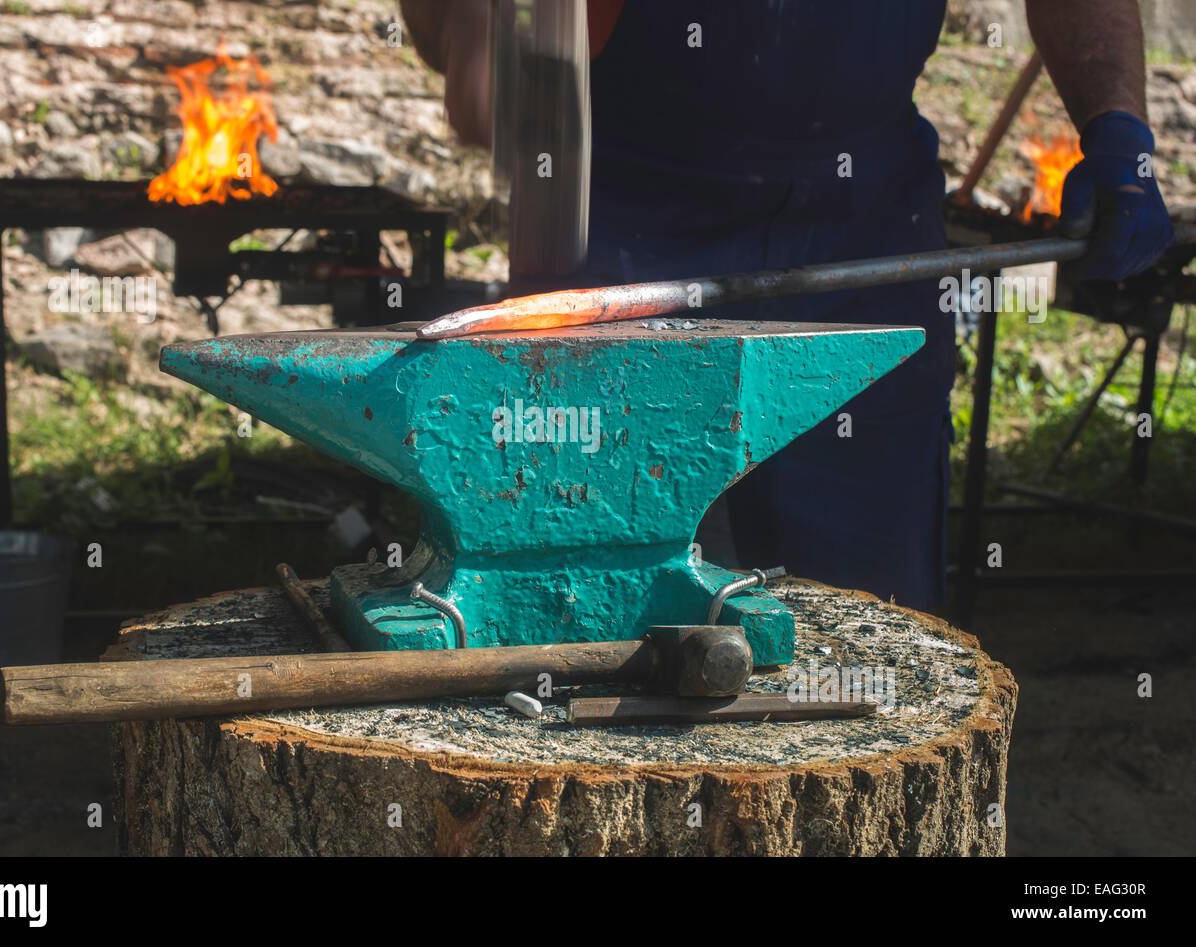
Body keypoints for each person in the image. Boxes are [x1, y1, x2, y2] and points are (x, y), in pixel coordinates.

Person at [402, 0, 1174, 612]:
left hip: (866, 234)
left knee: (870, 642)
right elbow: (465, 34)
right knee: (580, 614)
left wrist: (1117, 128)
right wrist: (471, 28)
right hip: (626, 221)